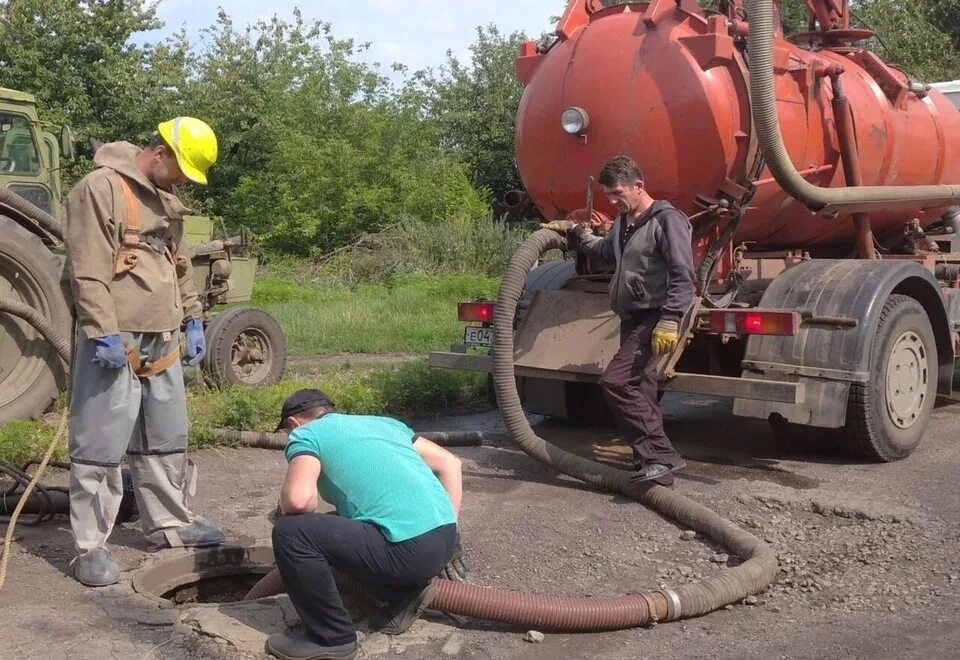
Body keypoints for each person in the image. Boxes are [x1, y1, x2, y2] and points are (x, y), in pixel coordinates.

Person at [61, 117, 225, 587]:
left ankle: (169, 524)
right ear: (159, 153)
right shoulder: (100, 188)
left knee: (165, 437)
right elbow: (88, 267)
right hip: (116, 338)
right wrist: (101, 331)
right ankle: (90, 547)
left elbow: (179, 263)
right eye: (180, 169)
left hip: (163, 337)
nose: (181, 180)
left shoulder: (164, 199)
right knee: (100, 443)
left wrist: (193, 317)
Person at [268, 389, 463, 660]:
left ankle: (331, 638)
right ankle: (401, 594)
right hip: (442, 540)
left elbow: (300, 501)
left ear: (293, 423)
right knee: (336, 522)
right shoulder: (383, 423)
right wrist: (450, 529)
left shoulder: (307, 434)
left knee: (292, 532)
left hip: (407, 552)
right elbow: (450, 463)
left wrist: (283, 508)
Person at [543, 155, 695, 483]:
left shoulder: (667, 220)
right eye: (609, 196)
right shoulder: (625, 222)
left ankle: (661, 455)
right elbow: (605, 250)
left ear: (639, 186)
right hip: (631, 315)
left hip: (655, 317)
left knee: (616, 381)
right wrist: (575, 233)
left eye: (618, 194)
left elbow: (684, 275)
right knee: (642, 387)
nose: (612, 201)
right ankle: (655, 465)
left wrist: (670, 319)